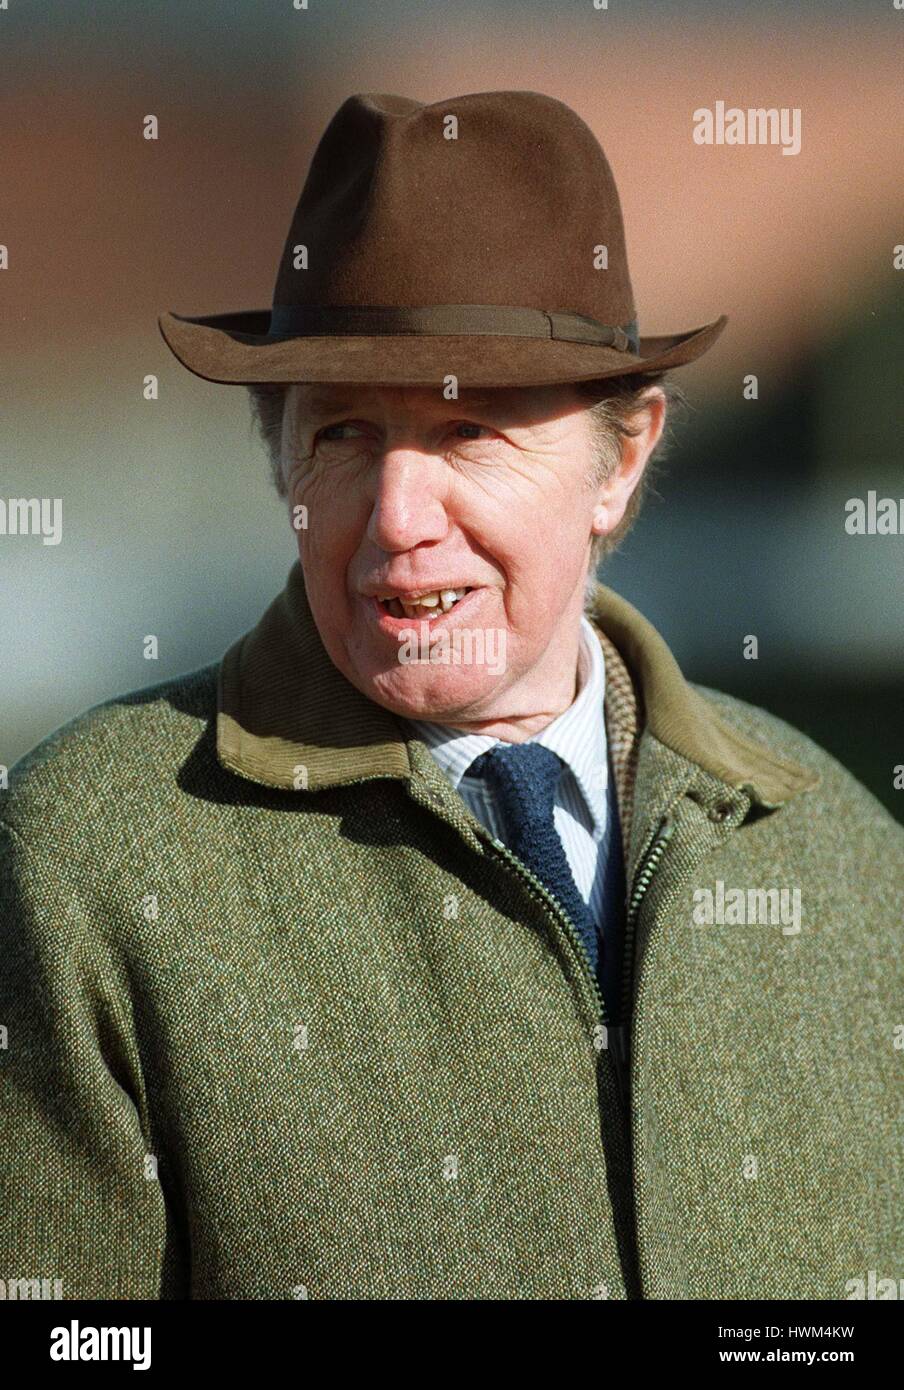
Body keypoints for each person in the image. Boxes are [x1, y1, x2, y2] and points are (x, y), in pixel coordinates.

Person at [1, 90, 900, 1300]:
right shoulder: (89, 863)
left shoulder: (841, 862)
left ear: (619, 461)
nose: (397, 519)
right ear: (281, 459)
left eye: (471, 429)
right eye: (344, 435)